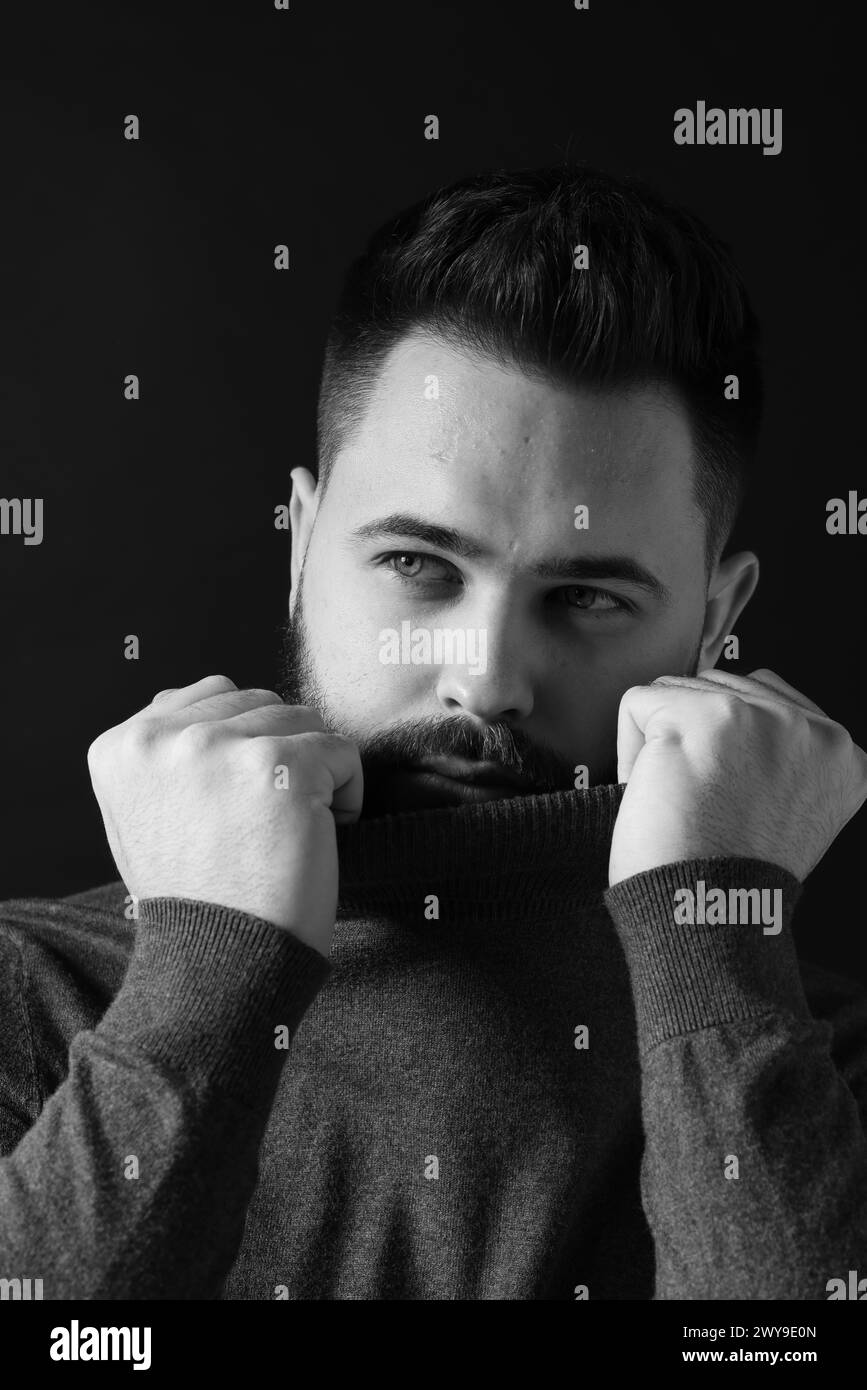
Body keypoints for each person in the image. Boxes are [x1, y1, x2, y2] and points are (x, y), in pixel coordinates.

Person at [2, 165, 866, 1301]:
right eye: (419, 565)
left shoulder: (818, 1074)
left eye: (588, 597)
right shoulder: (40, 996)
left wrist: (716, 946)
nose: (486, 678)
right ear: (304, 545)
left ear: (715, 623)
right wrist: (204, 979)